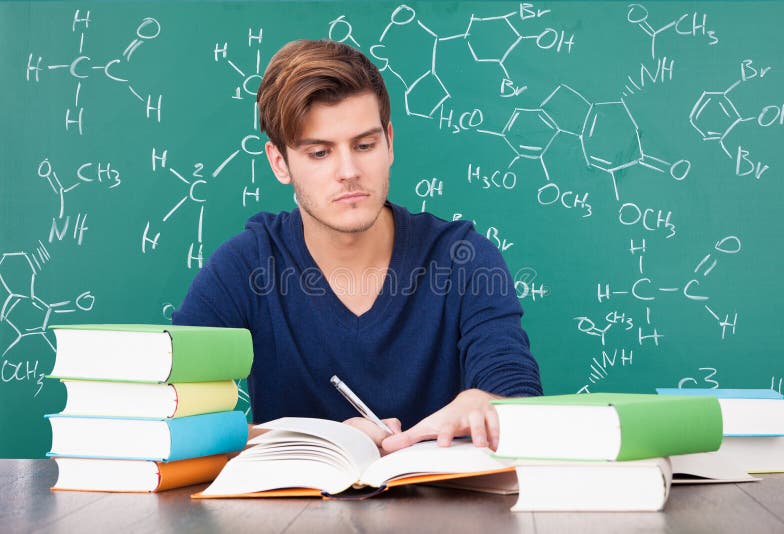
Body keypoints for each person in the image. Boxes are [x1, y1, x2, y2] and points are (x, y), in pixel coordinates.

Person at [172, 39, 542, 454]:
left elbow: (514, 386)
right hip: (291, 515)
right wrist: (318, 440)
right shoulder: (246, 266)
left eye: (364, 145)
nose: (348, 172)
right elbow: (172, 410)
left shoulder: (463, 257)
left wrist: (487, 403)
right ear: (280, 163)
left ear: (389, 142)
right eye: (319, 153)